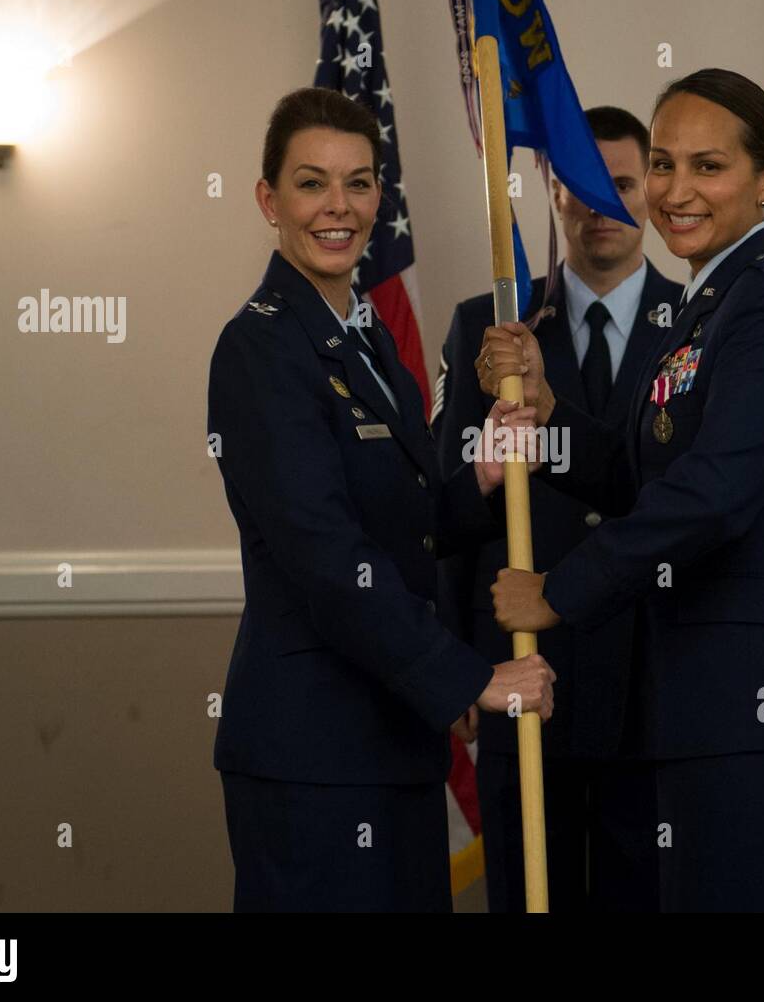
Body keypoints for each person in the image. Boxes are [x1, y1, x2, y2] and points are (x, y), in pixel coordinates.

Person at [476, 69, 764, 912]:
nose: (675, 191)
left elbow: (712, 495)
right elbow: (650, 472)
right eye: (663, 165)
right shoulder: (712, 306)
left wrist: (559, 593)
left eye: (708, 167)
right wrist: (554, 417)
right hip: (708, 707)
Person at [207, 87, 555, 913]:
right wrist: (473, 681)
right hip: (314, 755)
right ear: (268, 200)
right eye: (312, 183)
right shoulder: (260, 348)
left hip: (390, 740)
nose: (339, 207)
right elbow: (328, 558)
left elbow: (407, 525)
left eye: (359, 183)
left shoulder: (366, 343)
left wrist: (477, 479)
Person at [433, 107, 682, 912]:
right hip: (521, 675)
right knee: (527, 897)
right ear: (550, 190)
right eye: (579, 184)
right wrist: (452, 670)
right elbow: (447, 506)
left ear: (649, 188)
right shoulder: (491, 326)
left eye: (620, 182)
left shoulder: (695, 327)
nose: (600, 204)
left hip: (653, 681)